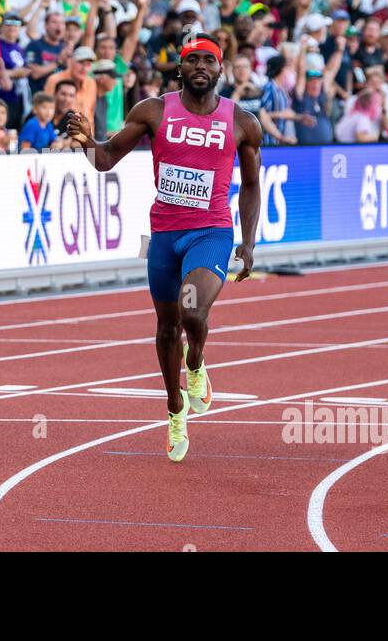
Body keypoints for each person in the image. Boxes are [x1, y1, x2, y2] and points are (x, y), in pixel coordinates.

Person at [65, 33, 261, 461]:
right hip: (164, 235)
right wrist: (85, 140)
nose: (200, 67)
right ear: (180, 70)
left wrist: (248, 241)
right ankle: (175, 408)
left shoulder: (242, 122)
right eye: (192, 61)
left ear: (220, 70)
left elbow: (250, 185)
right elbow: (105, 160)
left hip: (211, 231)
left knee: (193, 310)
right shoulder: (153, 111)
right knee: (167, 327)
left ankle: (197, 364)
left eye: (209, 61)